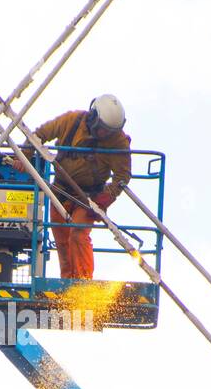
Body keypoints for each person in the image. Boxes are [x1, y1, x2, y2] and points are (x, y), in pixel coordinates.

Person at [20, 94, 131, 280]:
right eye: (103, 129)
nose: (105, 134)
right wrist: (24, 156)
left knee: (78, 235)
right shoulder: (72, 121)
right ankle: (67, 282)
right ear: (94, 116)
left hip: (88, 197)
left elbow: (122, 176)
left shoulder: (117, 141)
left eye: (110, 131)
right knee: (62, 242)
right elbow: (39, 135)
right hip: (60, 192)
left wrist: (106, 198)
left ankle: (83, 284)